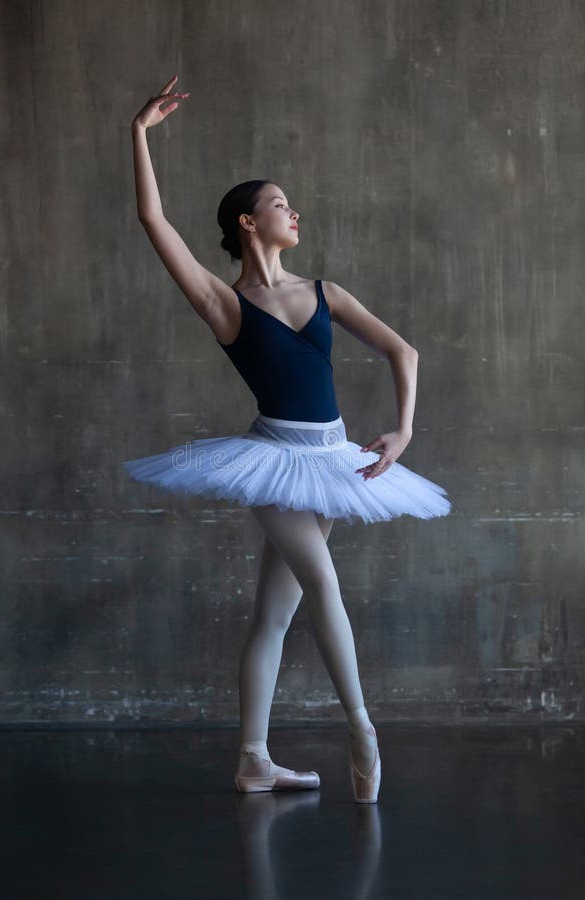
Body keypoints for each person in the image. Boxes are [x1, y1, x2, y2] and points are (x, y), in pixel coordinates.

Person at [122, 75, 452, 803]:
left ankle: (252, 759)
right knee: (322, 583)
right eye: (278, 203)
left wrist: (403, 430)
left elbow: (406, 353)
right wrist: (139, 133)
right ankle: (363, 730)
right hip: (271, 461)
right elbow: (153, 220)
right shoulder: (224, 303)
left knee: (273, 615)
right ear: (247, 222)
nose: (293, 211)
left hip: (332, 460)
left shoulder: (325, 293)